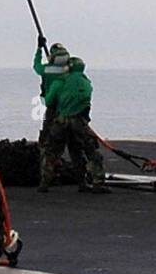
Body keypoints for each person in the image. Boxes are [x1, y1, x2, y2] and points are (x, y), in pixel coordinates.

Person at [37, 43, 108, 194]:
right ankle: (94, 182)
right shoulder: (86, 83)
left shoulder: (59, 81)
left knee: (51, 151)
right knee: (85, 151)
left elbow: (48, 101)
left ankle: (45, 182)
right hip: (80, 121)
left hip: (61, 119)